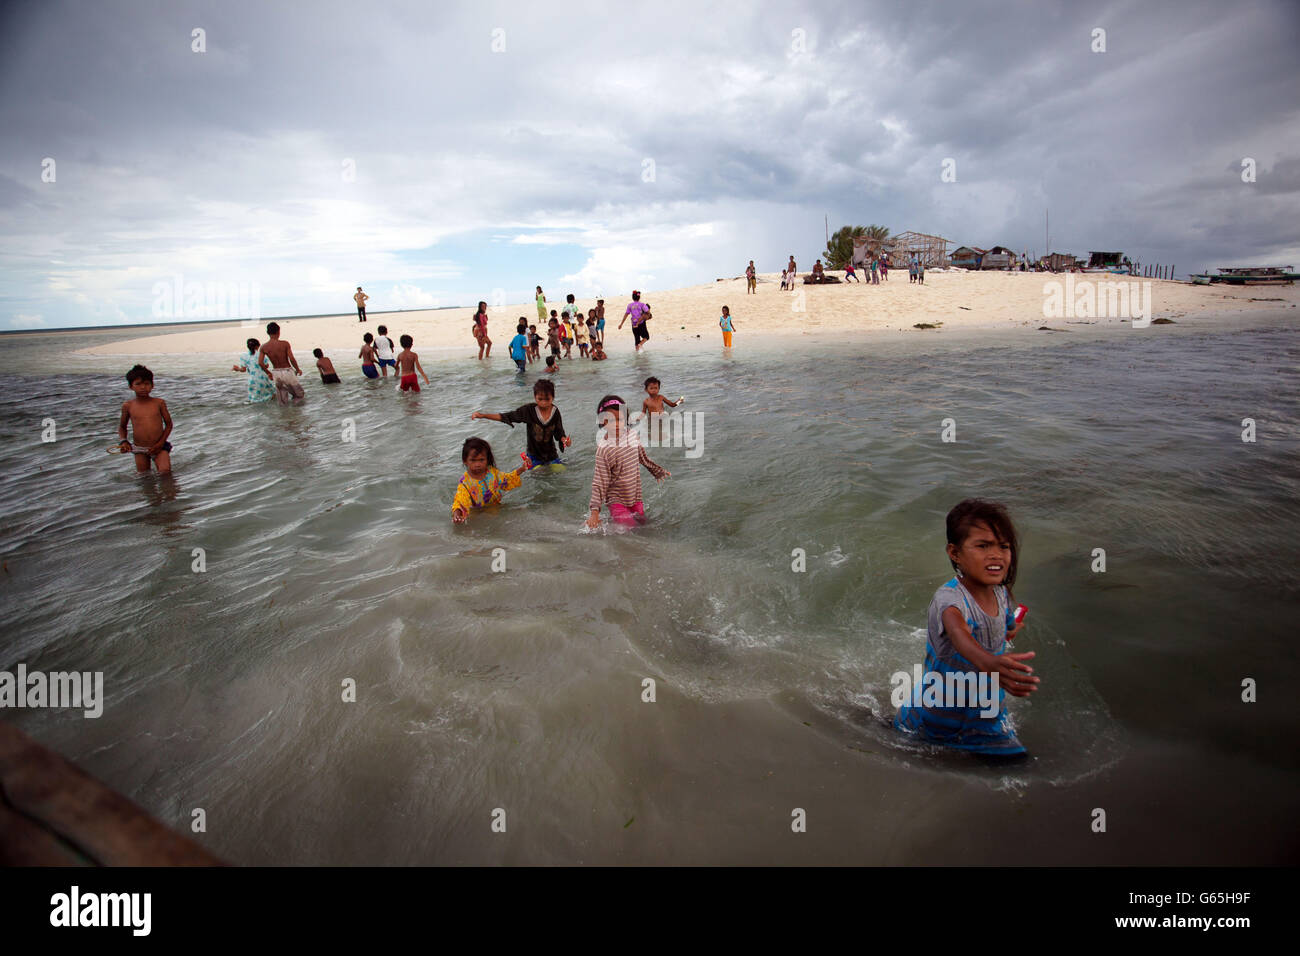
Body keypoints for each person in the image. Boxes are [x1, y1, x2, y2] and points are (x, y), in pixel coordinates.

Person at [895, 499, 1039, 755]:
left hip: (985, 709)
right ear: (955, 553)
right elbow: (959, 634)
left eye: (1003, 546)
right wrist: (988, 661)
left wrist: (1011, 629)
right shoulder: (950, 600)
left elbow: (1003, 627)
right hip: (940, 714)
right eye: (983, 546)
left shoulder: (1000, 593)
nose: (996, 554)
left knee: (1018, 764)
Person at [586, 395, 669, 528]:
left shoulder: (632, 435)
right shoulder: (604, 449)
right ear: (602, 422)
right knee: (630, 529)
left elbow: (642, 456)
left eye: (620, 419)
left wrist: (656, 470)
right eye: (610, 420)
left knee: (643, 524)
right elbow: (599, 481)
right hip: (616, 499)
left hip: (635, 496)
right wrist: (595, 512)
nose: (617, 424)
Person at [471, 378, 571, 468]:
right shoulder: (529, 410)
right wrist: (483, 415)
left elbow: (559, 432)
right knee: (538, 476)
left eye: (547, 399)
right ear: (535, 397)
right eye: (540, 399)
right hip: (533, 456)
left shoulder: (555, 411)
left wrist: (564, 440)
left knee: (560, 471)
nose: (543, 403)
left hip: (551, 455)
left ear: (553, 397)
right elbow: (507, 416)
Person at [451, 437, 530, 524]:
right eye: (473, 460)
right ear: (465, 461)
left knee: (523, 509)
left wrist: (522, 469)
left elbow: (507, 479)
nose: (477, 464)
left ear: (487, 459)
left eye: (481, 460)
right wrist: (456, 515)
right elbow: (459, 501)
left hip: (495, 506)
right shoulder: (465, 483)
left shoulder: (492, 472)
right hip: (477, 513)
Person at [117, 365, 173, 473]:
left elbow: (169, 425)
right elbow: (122, 427)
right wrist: (123, 441)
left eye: (146, 384)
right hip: (140, 448)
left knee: (165, 472)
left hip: (159, 447)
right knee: (144, 477)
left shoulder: (159, 403)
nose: (143, 387)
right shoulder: (128, 406)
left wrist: (160, 443)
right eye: (138, 384)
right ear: (131, 386)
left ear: (152, 385)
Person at [257, 322, 305, 404]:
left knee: (282, 400)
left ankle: (284, 415)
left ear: (268, 333)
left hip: (276, 373)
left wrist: (268, 372)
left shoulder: (264, 347)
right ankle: (297, 414)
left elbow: (260, 363)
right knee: (299, 395)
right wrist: (297, 369)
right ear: (278, 332)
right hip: (287, 371)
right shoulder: (284, 344)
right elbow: (292, 359)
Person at [233, 337, 274, 403]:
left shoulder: (244, 356)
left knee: (254, 399)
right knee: (271, 395)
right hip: (263, 378)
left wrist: (237, 369)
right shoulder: (261, 354)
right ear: (257, 346)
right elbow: (266, 366)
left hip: (252, 380)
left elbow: (243, 370)